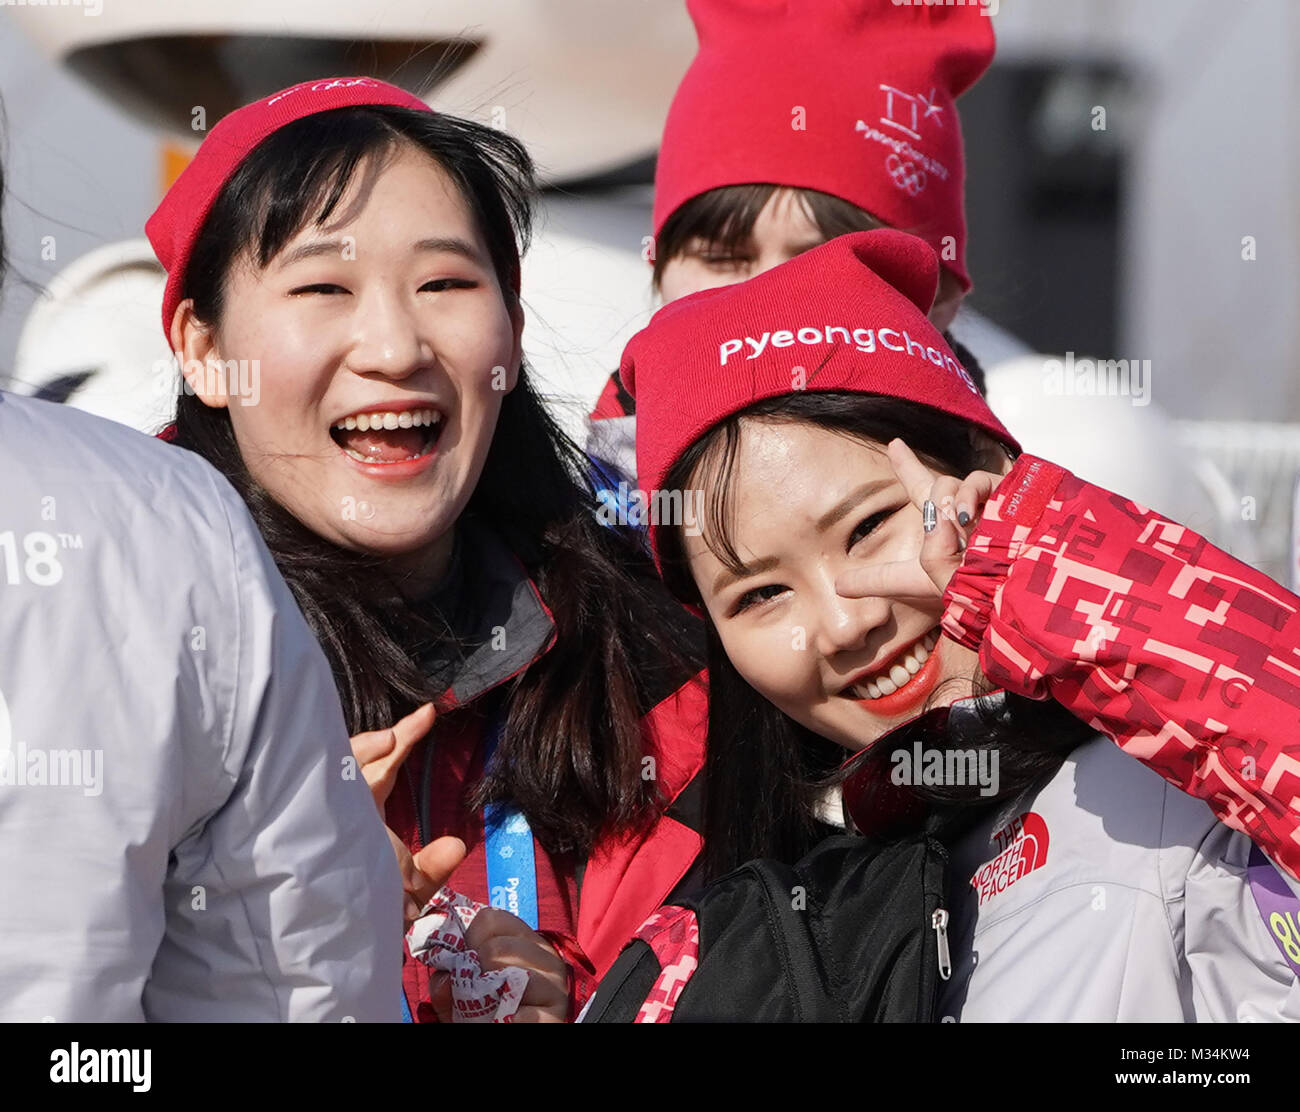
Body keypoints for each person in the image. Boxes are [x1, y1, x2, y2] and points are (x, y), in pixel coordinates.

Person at [622, 228, 1300, 1020]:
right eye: (759, 595)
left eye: (869, 526)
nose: (840, 624)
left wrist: (1059, 570)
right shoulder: (718, 939)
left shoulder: (1184, 817)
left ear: (993, 474)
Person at [145, 77, 708, 1021]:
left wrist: (585, 1003)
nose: (395, 345)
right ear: (200, 346)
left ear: (512, 335)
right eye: (323, 287)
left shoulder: (652, 667)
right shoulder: (104, 658)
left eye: (445, 283)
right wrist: (265, 922)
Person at [587, 0, 994, 483]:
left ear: (938, 296)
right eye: (721, 258)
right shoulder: (580, 510)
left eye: (819, 264)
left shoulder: (1004, 522)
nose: (764, 296)